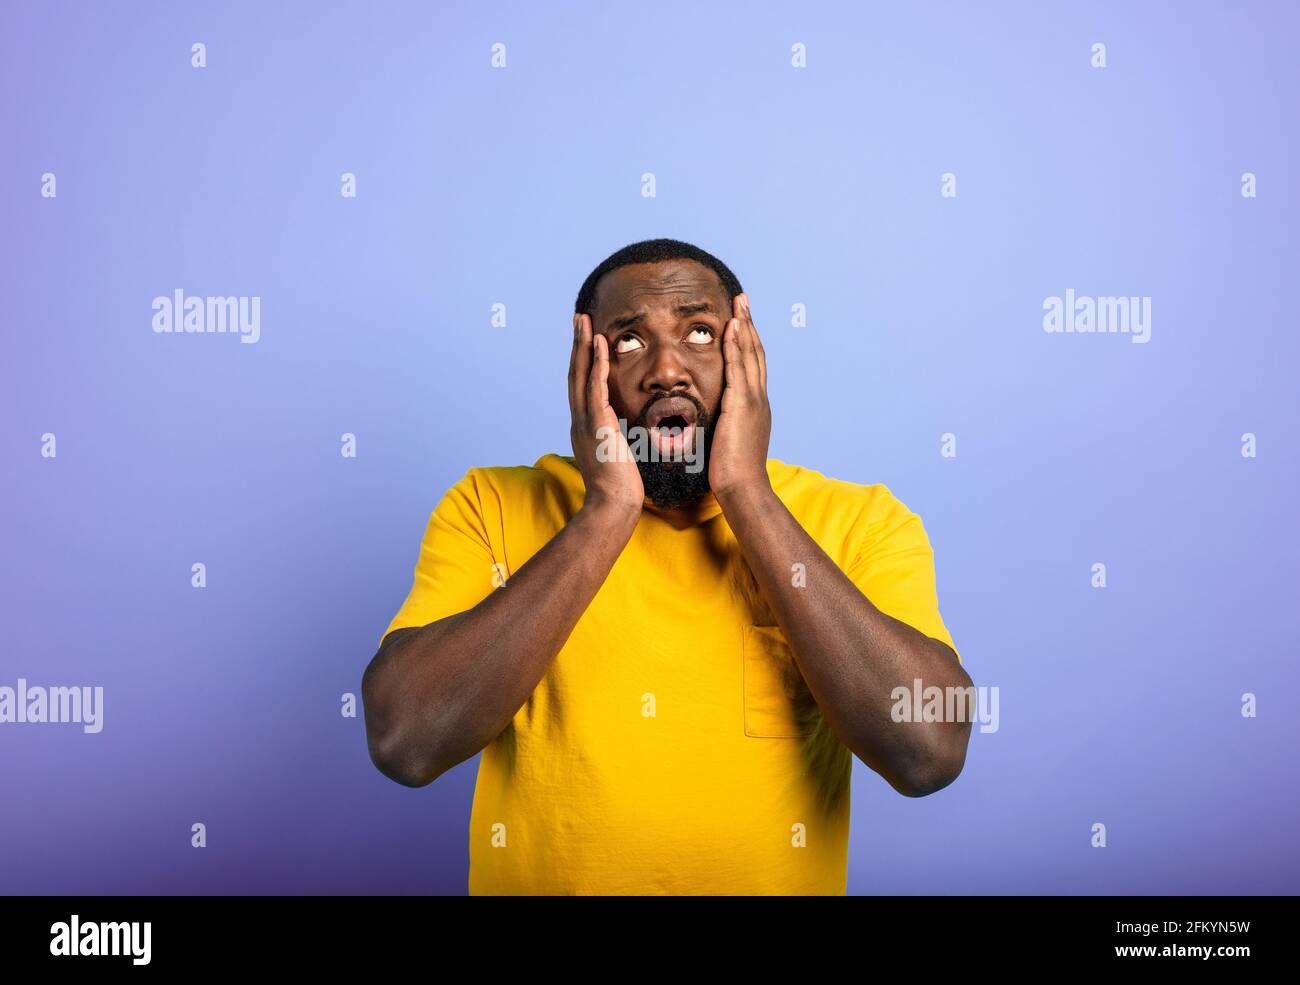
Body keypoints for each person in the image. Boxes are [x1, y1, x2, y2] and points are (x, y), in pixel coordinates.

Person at [362, 238, 973, 894]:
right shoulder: (489, 506)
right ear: (583, 374)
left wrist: (748, 493)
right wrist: (605, 511)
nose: (667, 369)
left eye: (700, 332)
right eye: (627, 342)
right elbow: (408, 741)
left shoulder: (860, 523)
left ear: (748, 359)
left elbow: (928, 751)